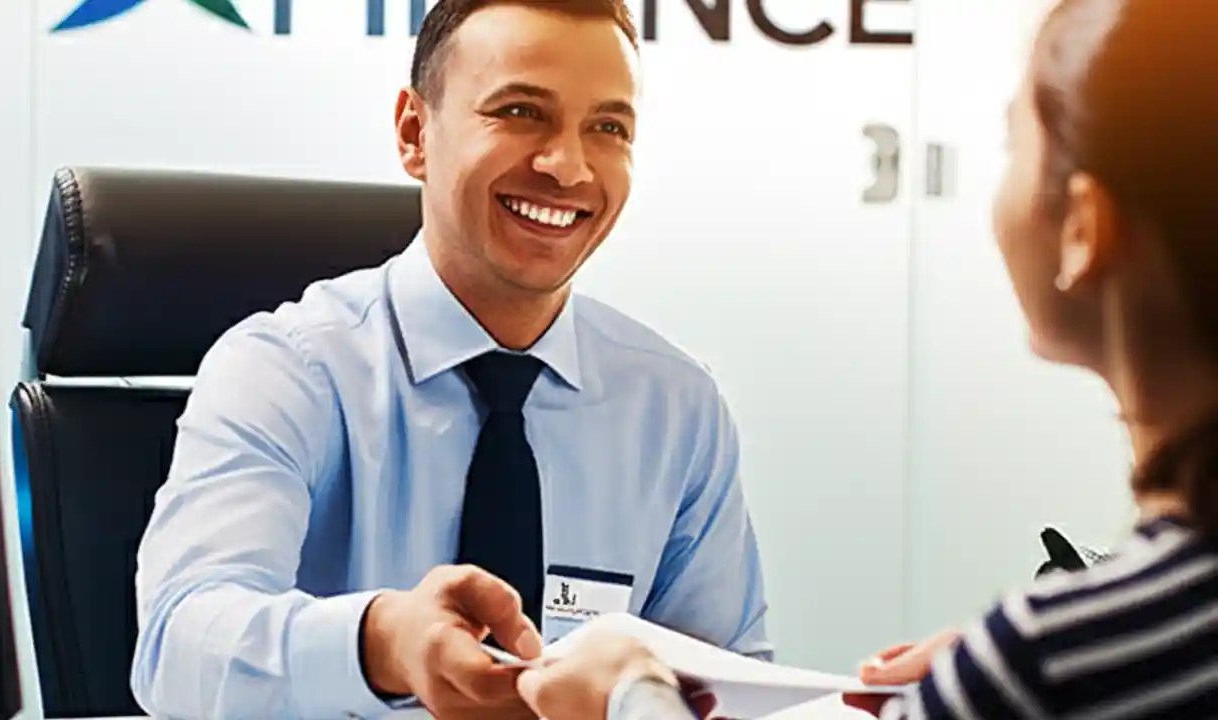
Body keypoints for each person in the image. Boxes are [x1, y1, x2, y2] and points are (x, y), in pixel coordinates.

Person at [514, 0, 1218, 718]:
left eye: (1011, 145)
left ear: (1081, 228)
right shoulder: (1091, 648)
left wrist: (630, 699)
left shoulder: (1059, 658)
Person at [129, 1, 771, 718]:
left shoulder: (675, 406)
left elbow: (730, 686)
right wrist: (382, 644)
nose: (568, 166)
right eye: (521, 111)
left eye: (608, 128)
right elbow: (178, 653)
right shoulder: (286, 370)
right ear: (414, 133)